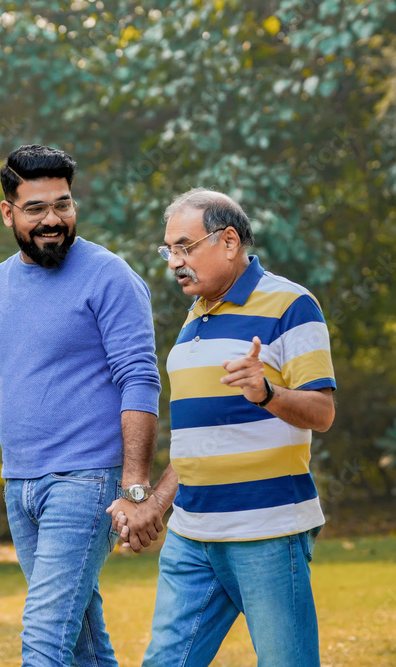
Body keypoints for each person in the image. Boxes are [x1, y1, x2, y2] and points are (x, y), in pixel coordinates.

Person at [0, 144, 163, 666]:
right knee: (80, 638)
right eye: (36, 208)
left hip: (87, 481)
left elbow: (139, 379)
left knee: (44, 634)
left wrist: (134, 487)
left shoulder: (109, 275)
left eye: (62, 205)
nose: (53, 220)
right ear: (8, 212)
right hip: (21, 483)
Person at [111, 188, 336, 666]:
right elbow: (196, 445)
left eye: (185, 247)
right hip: (193, 537)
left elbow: (322, 412)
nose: (174, 262)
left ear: (229, 240)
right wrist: (155, 502)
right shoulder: (193, 320)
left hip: (267, 531)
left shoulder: (292, 304)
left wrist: (268, 393)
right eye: (169, 250)